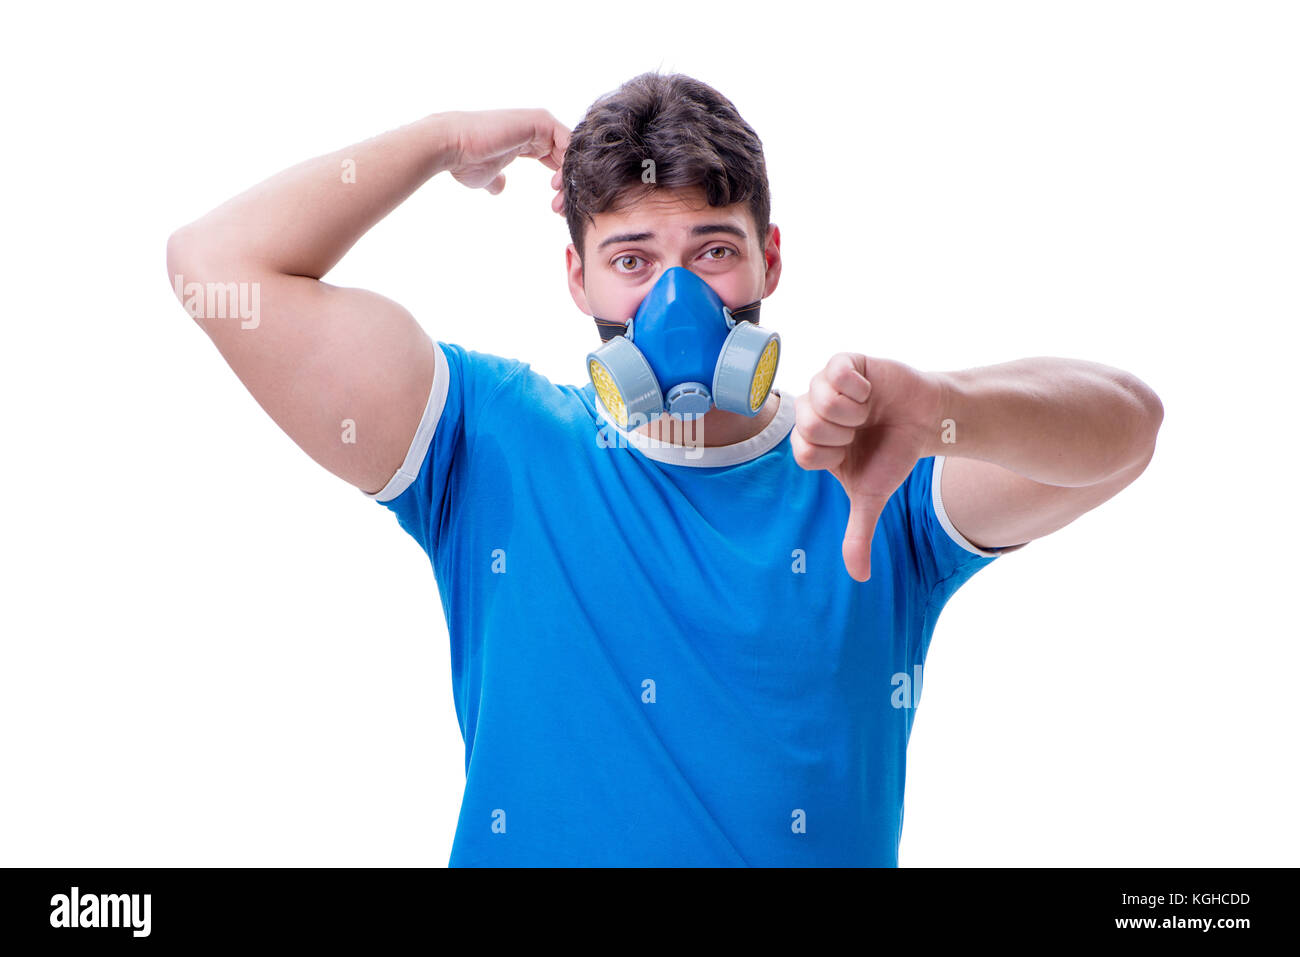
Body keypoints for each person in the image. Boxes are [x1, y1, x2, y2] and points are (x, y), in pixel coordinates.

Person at [166, 71, 1163, 866]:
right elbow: (214, 267)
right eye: (633, 259)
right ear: (578, 279)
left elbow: (1127, 426)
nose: (677, 302)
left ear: (770, 260)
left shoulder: (869, 467)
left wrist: (945, 411)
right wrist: (439, 143)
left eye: (713, 250)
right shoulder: (488, 447)